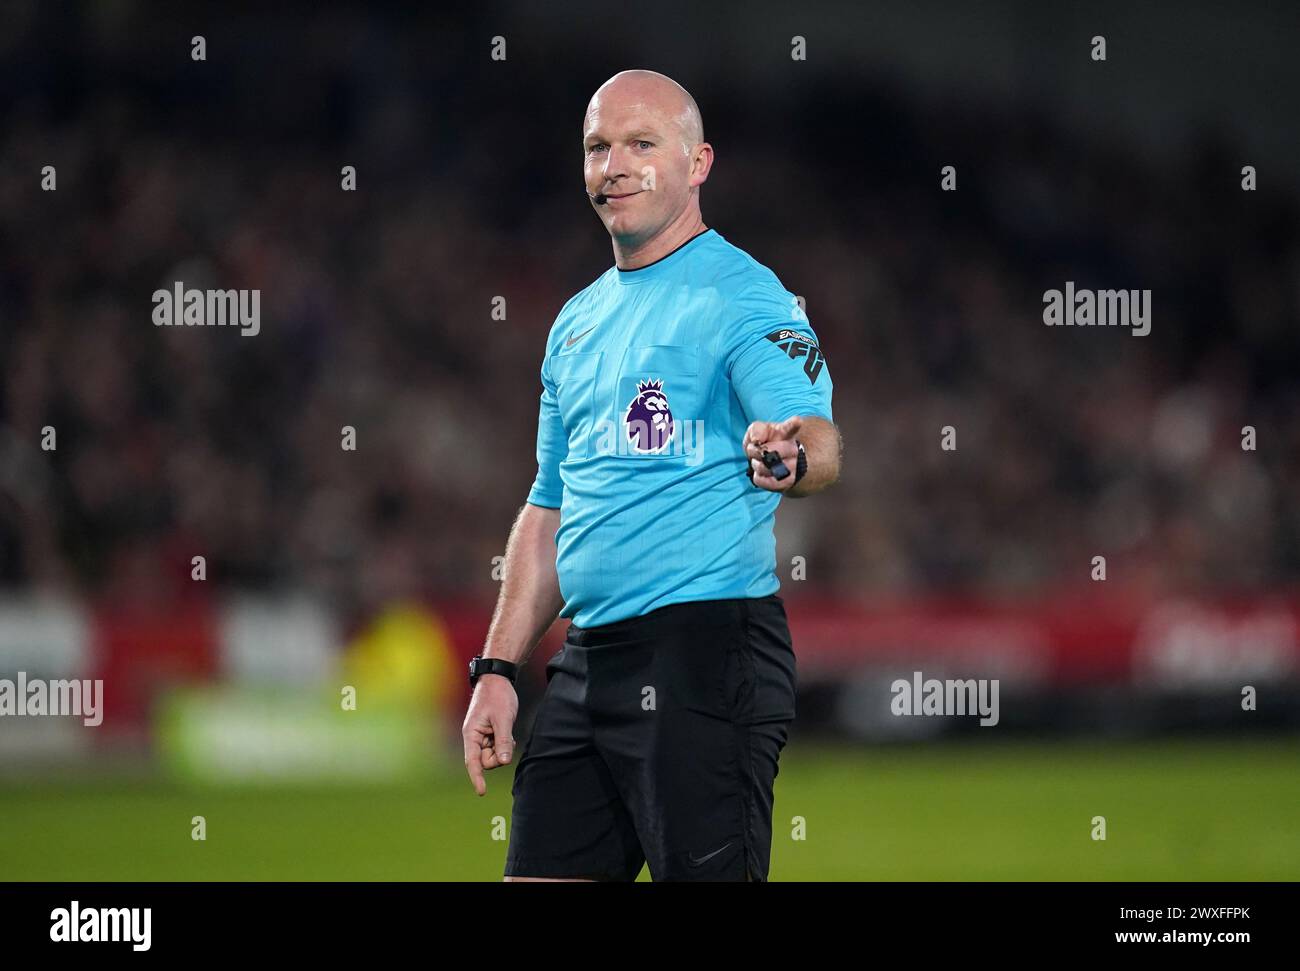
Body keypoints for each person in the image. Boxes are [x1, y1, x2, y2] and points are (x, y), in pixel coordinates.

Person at [462, 69, 842, 881]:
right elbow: (548, 506)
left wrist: (792, 453)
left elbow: (817, 436)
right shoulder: (577, 321)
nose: (615, 165)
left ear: (698, 162)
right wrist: (497, 669)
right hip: (586, 660)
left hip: (704, 656)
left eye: (641, 143)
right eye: (599, 146)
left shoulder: (745, 296)